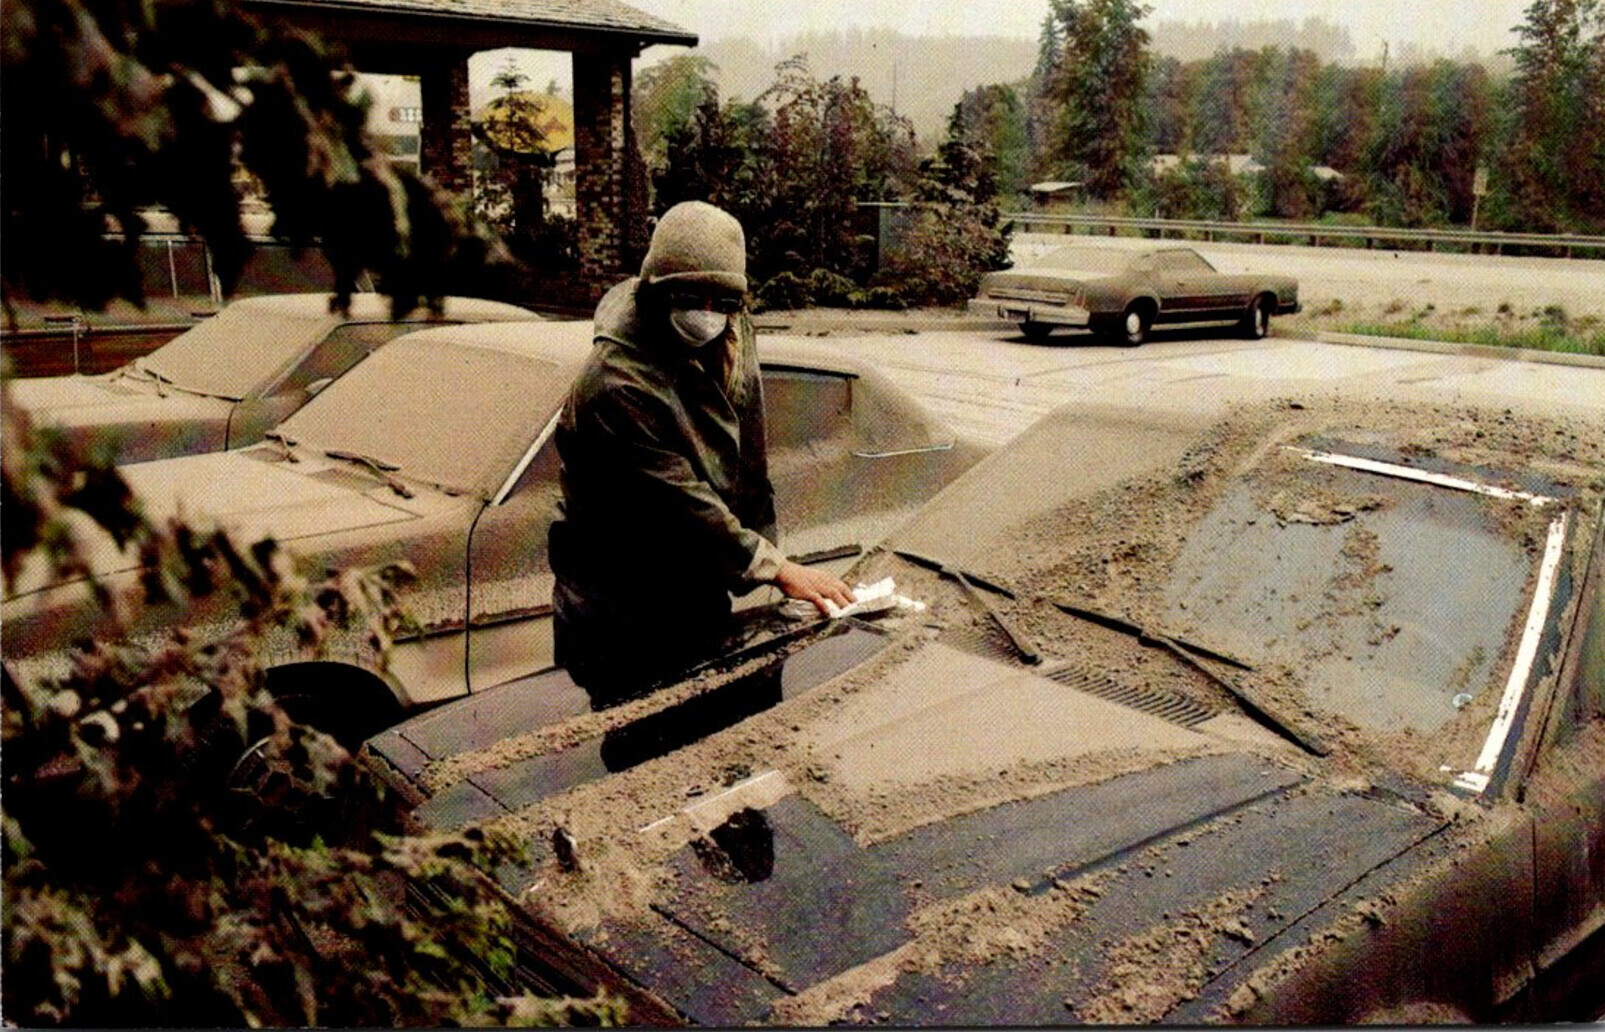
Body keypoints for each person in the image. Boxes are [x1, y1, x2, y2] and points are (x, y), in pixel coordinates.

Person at [549, 201, 854, 705]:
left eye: (724, 300)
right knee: (641, 736)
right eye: (692, 297)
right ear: (655, 290)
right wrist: (778, 568)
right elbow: (681, 504)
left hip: (696, 589)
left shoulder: (732, 324)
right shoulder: (615, 384)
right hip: (619, 612)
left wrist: (761, 545)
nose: (708, 314)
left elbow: (747, 450)